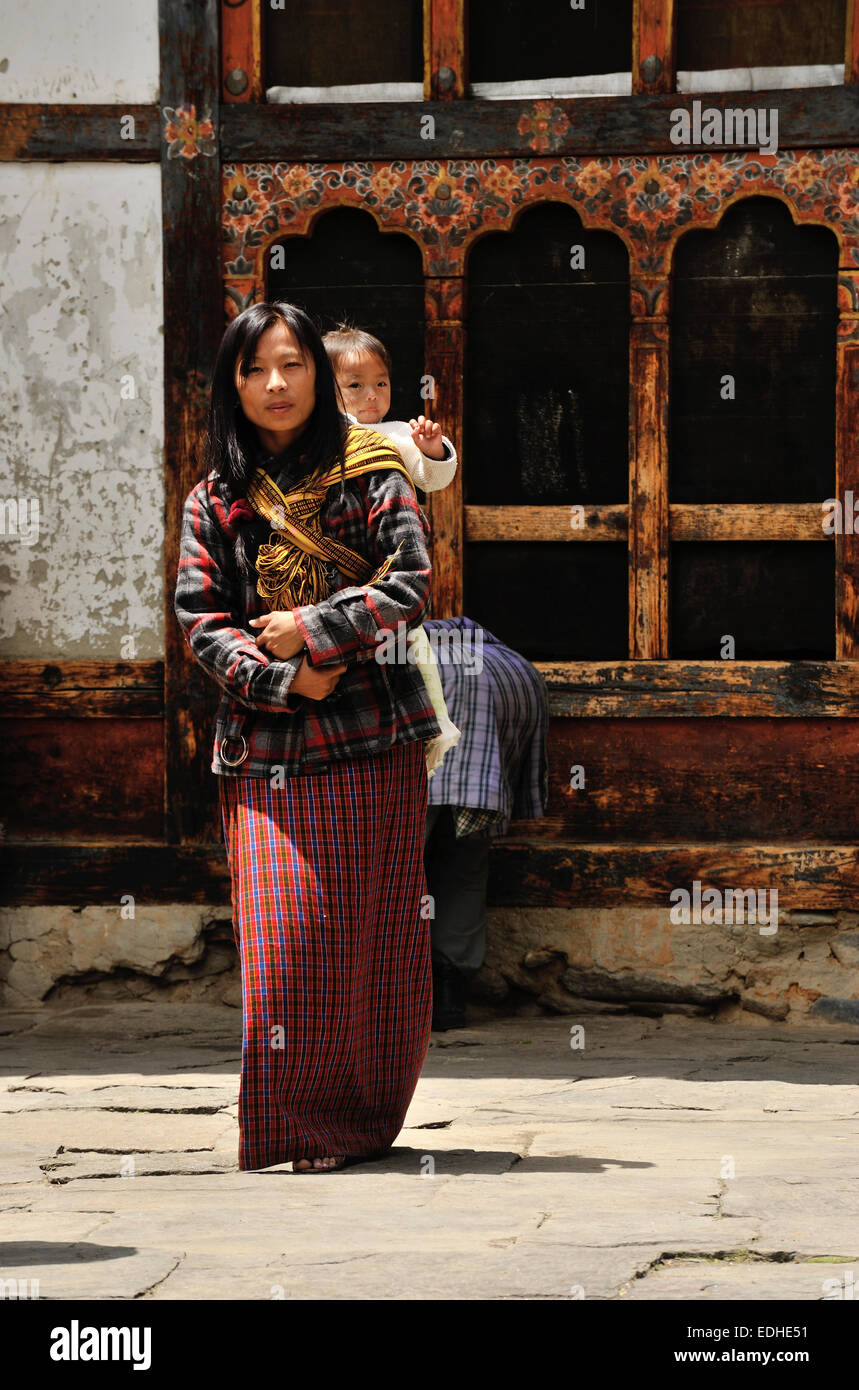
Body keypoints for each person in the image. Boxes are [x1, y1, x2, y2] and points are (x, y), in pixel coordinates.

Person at [174, 301, 442, 1173]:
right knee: (287, 943)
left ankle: (355, 1124)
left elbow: (409, 582)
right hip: (267, 746)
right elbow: (199, 619)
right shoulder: (214, 496)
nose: (276, 384)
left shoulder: (373, 471)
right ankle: (294, 1126)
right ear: (232, 385)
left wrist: (315, 628)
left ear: (318, 378)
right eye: (254, 370)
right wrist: (284, 675)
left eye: (291, 365)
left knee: (373, 938)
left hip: (374, 735)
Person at [322, 324, 461, 776]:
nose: (371, 396)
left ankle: (430, 728)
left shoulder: (395, 433)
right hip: (327, 571)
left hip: (382, 571)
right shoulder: (320, 434)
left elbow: (434, 478)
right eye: (355, 386)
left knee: (412, 650)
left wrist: (433, 448)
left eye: (380, 383)